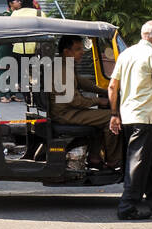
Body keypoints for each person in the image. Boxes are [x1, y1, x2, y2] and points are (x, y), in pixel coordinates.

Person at [108, 20, 152, 220]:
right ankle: (127, 206)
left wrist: (114, 114)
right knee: (137, 163)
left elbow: (112, 87)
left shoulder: (125, 54)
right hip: (144, 117)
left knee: (142, 160)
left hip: (127, 115)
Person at [51, 35, 122, 168]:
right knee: (110, 118)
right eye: (78, 49)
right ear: (67, 52)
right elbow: (75, 100)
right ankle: (114, 160)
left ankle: (95, 157)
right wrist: (98, 101)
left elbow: (81, 82)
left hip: (67, 110)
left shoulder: (66, 64)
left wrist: (104, 91)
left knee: (100, 116)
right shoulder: (63, 69)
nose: (82, 52)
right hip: (66, 113)